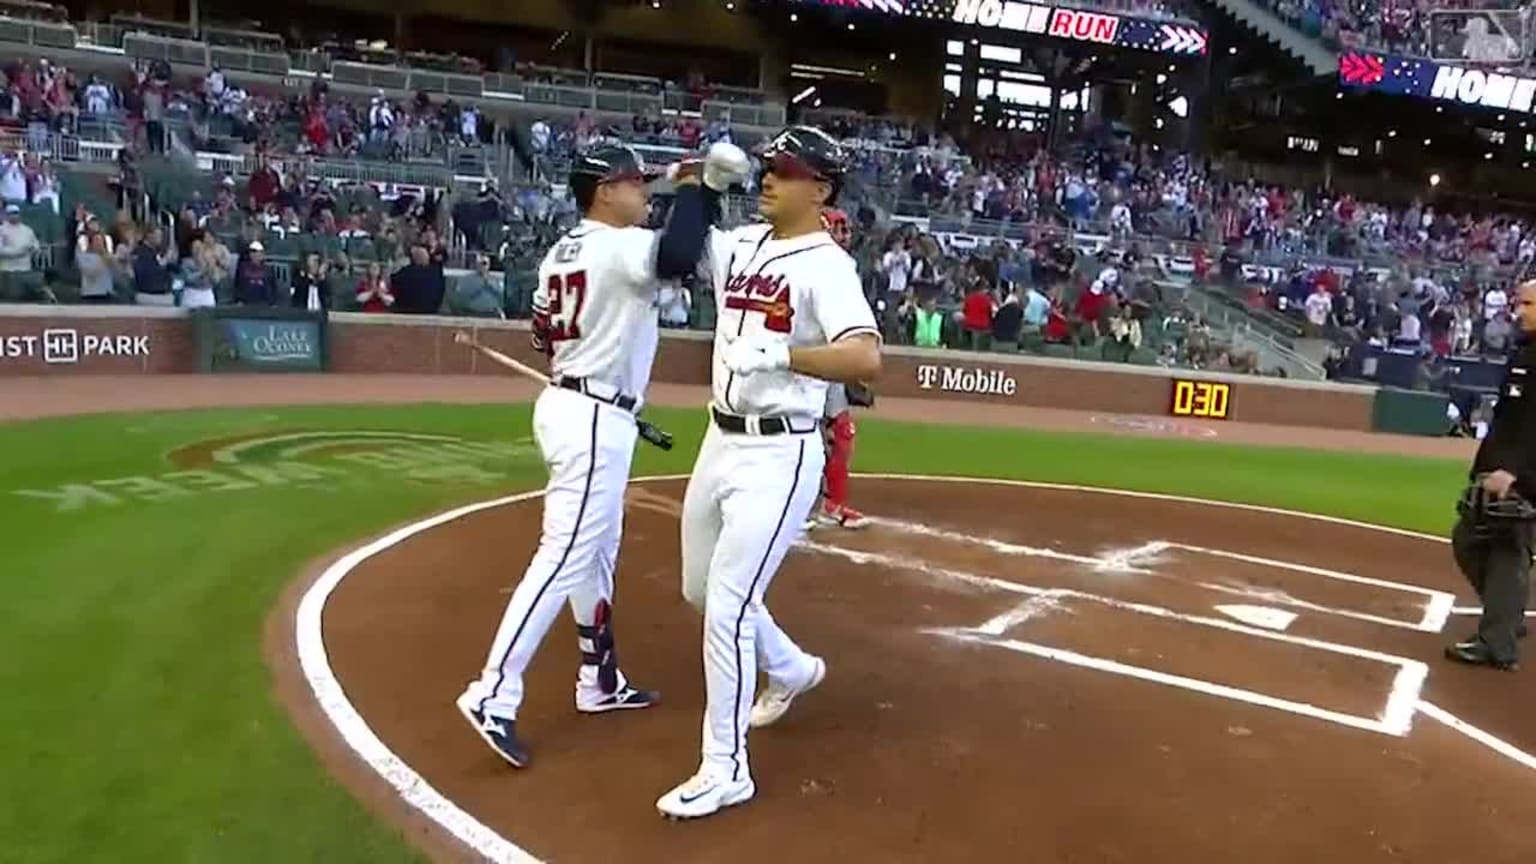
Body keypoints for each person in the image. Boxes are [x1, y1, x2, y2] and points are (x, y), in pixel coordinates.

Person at [456, 141, 748, 768]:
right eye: (632, 184)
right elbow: (675, 255)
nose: (643, 192)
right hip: (591, 417)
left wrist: (687, 187)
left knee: (594, 555)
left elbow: (541, 333)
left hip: (581, 406)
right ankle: (492, 694)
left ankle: (600, 678)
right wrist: (704, 191)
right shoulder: (617, 247)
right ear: (603, 192)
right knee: (562, 556)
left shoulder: (561, 251)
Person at [659, 125, 881, 820]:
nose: (768, 178)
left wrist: (785, 356)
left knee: (726, 606)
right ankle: (790, 669)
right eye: (766, 168)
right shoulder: (747, 243)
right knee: (699, 589)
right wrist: (703, 184)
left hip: (779, 451)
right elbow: (685, 249)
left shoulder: (827, 265)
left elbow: (864, 357)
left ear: (821, 188)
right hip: (718, 440)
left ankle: (725, 769)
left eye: (783, 170)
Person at [1446, 279, 1536, 670]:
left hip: (1520, 476)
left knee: (1505, 545)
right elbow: (1509, 420)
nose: (1520, 310)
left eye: (1529, 303)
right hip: (1499, 468)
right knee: (1469, 537)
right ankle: (1506, 618)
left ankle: (1498, 642)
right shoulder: (1525, 350)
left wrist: (1518, 476)